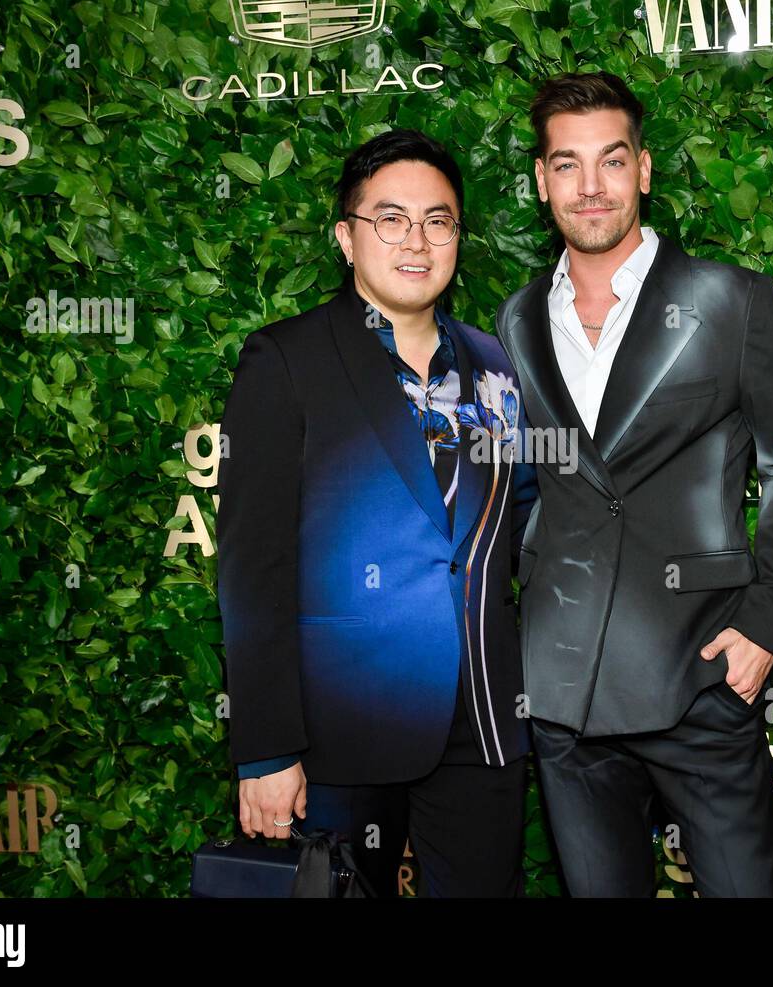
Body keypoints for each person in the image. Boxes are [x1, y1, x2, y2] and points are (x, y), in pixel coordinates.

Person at [495, 71, 773, 896]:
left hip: (700, 674)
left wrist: (767, 623)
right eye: (567, 165)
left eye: (611, 161)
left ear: (643, 169)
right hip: (567, 695)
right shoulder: (517, 318)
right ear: (542, 182)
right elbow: (539, 482)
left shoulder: (729, 298)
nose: (591, 187)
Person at [217, 128, 537, 897]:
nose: (417, 240)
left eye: (439, 219)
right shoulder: (285, 359)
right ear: (345, 237)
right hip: (338, 729)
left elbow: (526, 525)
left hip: (484, 719)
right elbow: (251, 569)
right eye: (390, 218)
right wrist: (264, 751)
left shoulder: (496, 363)